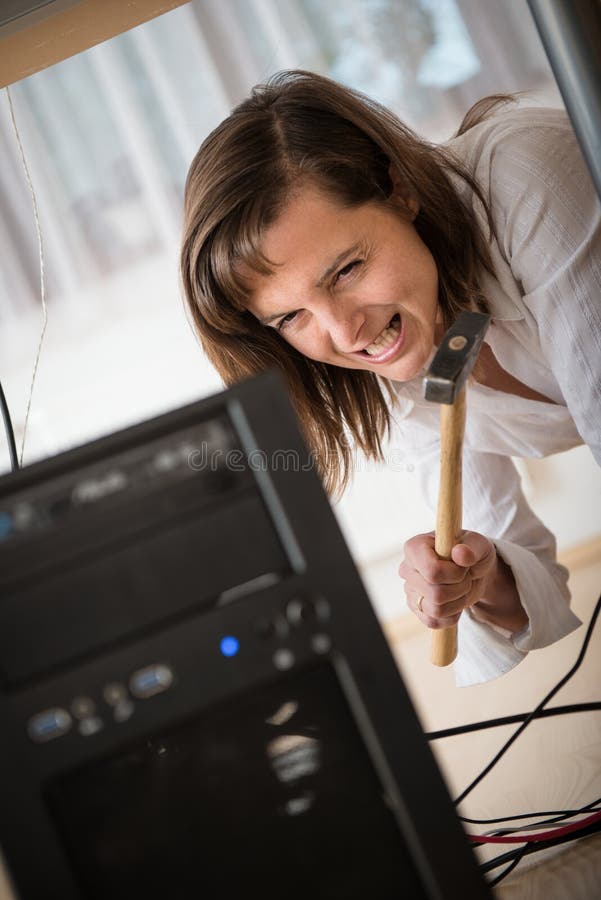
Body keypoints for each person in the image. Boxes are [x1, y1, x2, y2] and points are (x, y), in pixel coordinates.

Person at [180, 70, 600, 686]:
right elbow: (525, 589)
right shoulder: (391, 361)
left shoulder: (529, 177)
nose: (346, 333)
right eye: (292, 316)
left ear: (397, 187)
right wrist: (476, 582)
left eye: (346, 270)